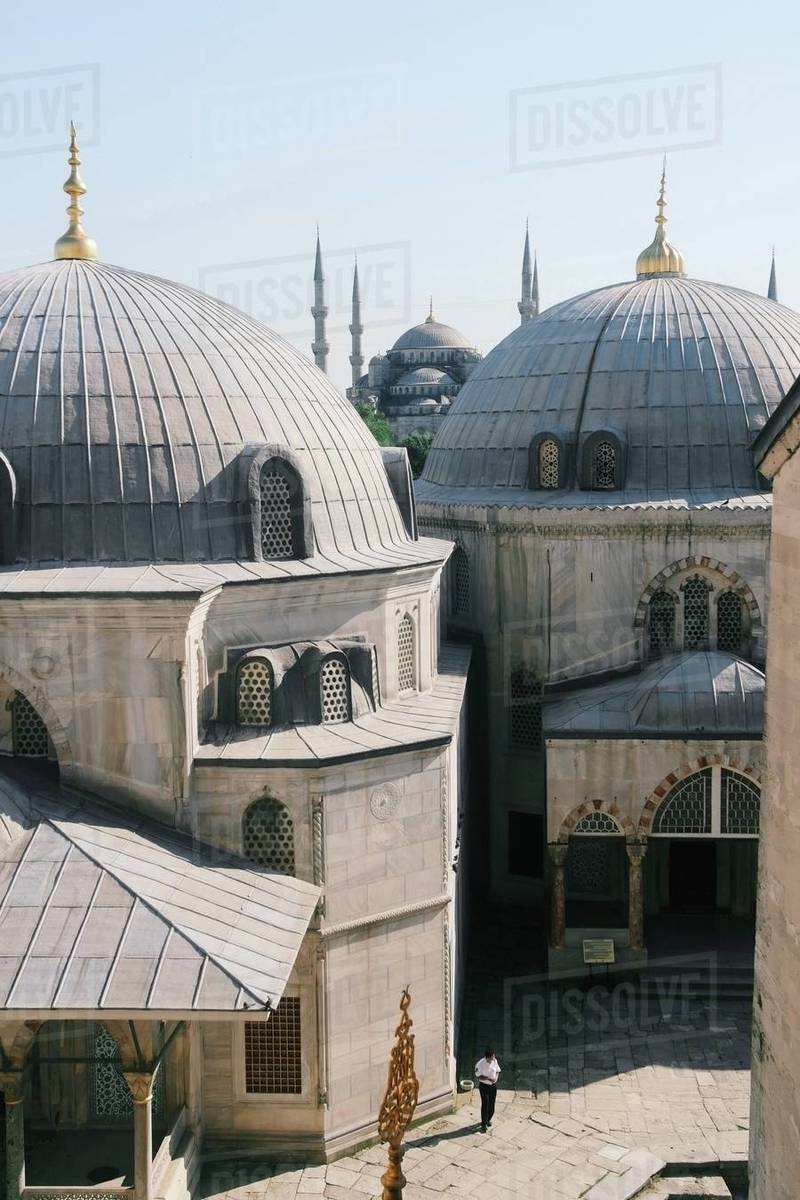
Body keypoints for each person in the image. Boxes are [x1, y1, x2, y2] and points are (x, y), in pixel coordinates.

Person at [474, 1048, 501, 1132]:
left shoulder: (494, 1061)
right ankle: (483, 1124)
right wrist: (489, 1078)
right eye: (492, 1057)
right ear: (487, 1057)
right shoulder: (480, 1064)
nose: (493, 1058)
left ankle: (488, 1119)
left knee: (492, 1104)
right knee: (485, 1104)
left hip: (493, 1086)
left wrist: (496, 1078)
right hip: (484, 1086)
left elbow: (497, 1070)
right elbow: (478, 1075)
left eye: (493, 1056)